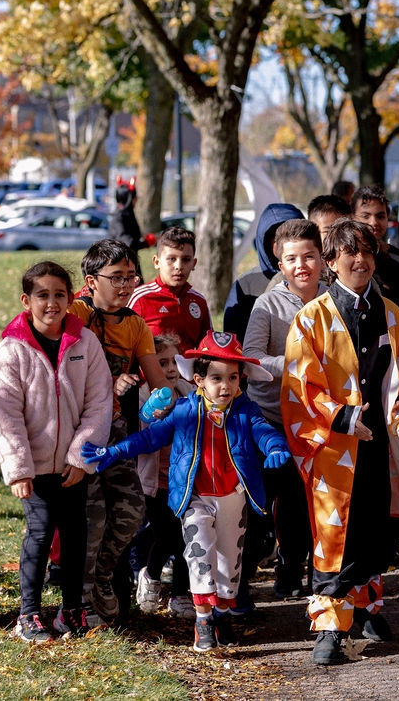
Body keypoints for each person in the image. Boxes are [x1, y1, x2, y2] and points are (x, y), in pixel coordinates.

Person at [281, 220, 399, 666]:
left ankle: (365, 607)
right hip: (333, 446)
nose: (360, 260)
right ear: (331, 261)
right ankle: (329, 626)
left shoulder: (391, 312)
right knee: (334, 531)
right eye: (350, 253)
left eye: (366, 252)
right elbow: (300, 385)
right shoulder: (311, 318)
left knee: (373, 525)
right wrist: (343, 417)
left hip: (378, 440)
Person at [81, 331, 291, 651]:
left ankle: (222, 615)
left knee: (229, 562)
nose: (225, 386)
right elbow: (150, 437)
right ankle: (203, 621)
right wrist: (113, 451)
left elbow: (263, 432)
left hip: (233, 497)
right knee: (199, 554)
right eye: (216, 378)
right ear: (198, 380)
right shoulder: (184, 410)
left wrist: (275, 446)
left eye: (233, 378)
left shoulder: (245, 410)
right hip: (194, 497)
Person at [0, 262, 112, 641]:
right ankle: (28, 614)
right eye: (42, 295)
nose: (51, 303)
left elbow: (99, 403)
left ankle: (71, 610)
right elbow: (6, 413)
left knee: (75, 534)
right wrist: (19, 468)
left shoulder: (84, 343)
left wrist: (80, 456)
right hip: (34, 466)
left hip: (72, 466)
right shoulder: (12, 349)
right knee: (41, 532)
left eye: (59, 294)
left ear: (70, 298)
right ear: (26, 301)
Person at [69, 239, 172, 624]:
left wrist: (164, 401)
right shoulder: (75, 314)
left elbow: (158, 381)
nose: (127, 285)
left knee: (131, 511)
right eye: (117, 277)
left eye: (131, 277)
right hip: (77, 434)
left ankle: (102, 577)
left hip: (115, 433)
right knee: (92, 517)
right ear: (91, 281)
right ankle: (81, 601)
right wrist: (107, 384)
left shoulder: (135, 324)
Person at [243, 219, 326, 599]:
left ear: (322, 259)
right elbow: (251, 359)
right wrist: (295, 365)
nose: (301, 265)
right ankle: (256, 574)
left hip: (320, 419)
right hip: (272, 419)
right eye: (291, 259)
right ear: (280, 265)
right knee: (271, 501)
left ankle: (299, 569)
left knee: (306, 502)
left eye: (308, 256)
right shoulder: (268, 304)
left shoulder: (333, 301)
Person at [134, 332, 195, 618]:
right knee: (166, 537)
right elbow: (142, 434)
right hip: (155, 483)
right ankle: (151, 575)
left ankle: (181, 594)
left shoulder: (189, 392)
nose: (170, 368)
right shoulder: (144, 396)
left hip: (186, 481)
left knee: (186, 537)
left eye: (174, 361)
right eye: (162, 363)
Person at [223, 203, 304, 338]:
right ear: (265, 240)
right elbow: (233, 339)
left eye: (292, 234)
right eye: (277, 237)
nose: (285, 242)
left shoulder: (319, 276)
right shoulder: (246, 286)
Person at [129, 226, 212, 351]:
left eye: (186, 260)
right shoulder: (139, 299)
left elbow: (208, 350)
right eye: (171, 259)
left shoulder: (199, 301)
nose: (178, 266)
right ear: (156, 262)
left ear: (193, 264)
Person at [352, 184, 399, 304]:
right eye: (365, 216)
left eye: (380, 216)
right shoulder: (344, 260)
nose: (374, 222)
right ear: (352, 218)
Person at [108, 179, 147, 253]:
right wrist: (146, 243)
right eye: (134, 197)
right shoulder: (119, 217)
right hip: (120, 258)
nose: (136, 200)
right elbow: (128, 243)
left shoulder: (128, 215)